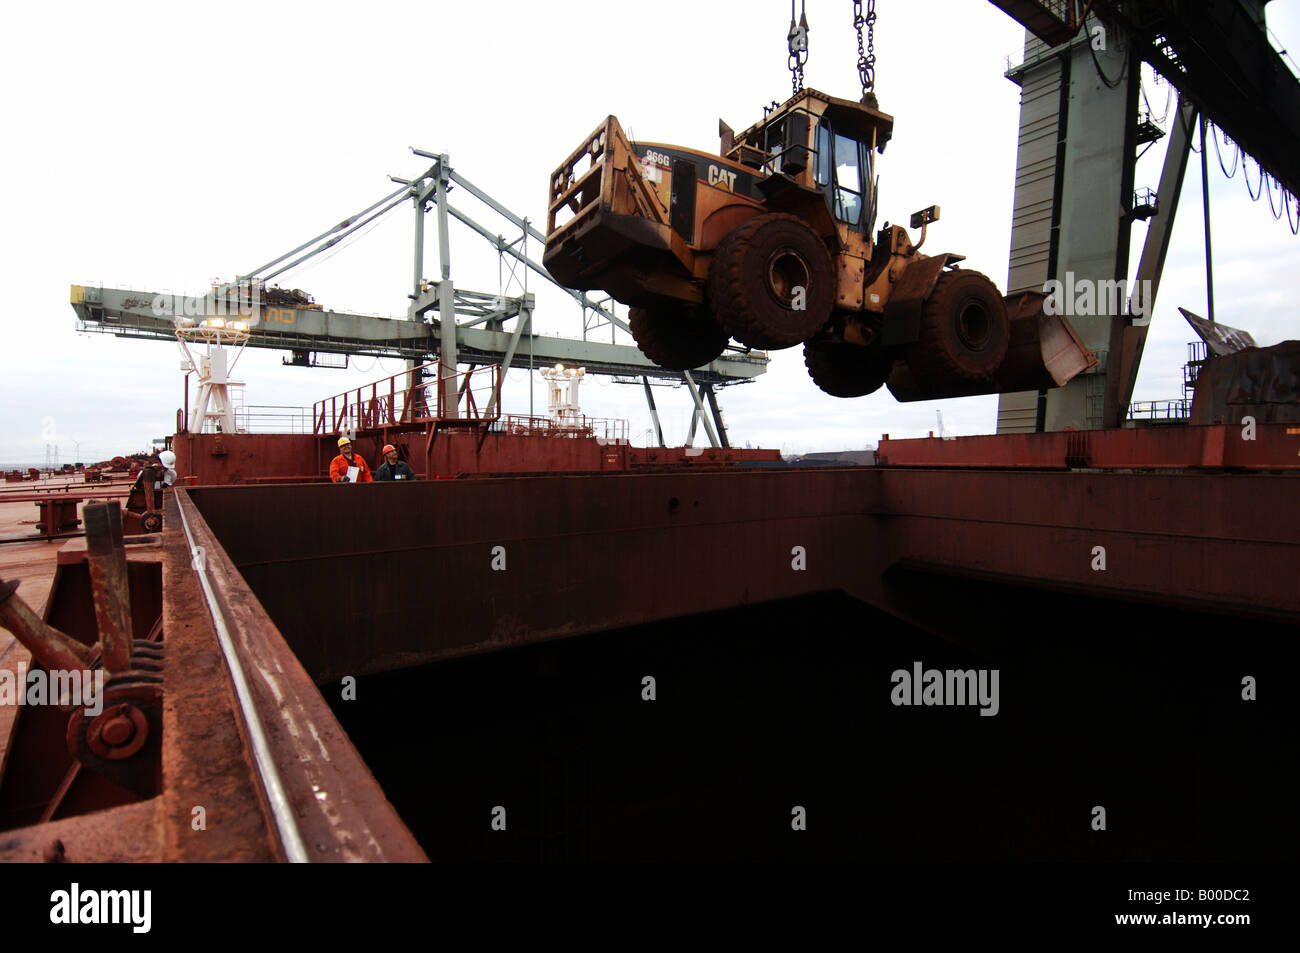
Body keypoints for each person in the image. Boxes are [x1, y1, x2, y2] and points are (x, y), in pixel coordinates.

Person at [137, 449, 178, 515]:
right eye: (164, 467)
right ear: (158, 462)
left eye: (166, 467)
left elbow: (169, 485)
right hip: (145, 503)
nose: (164, 469)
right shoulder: (144, 473)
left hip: (162, 502)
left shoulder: (172, 474)